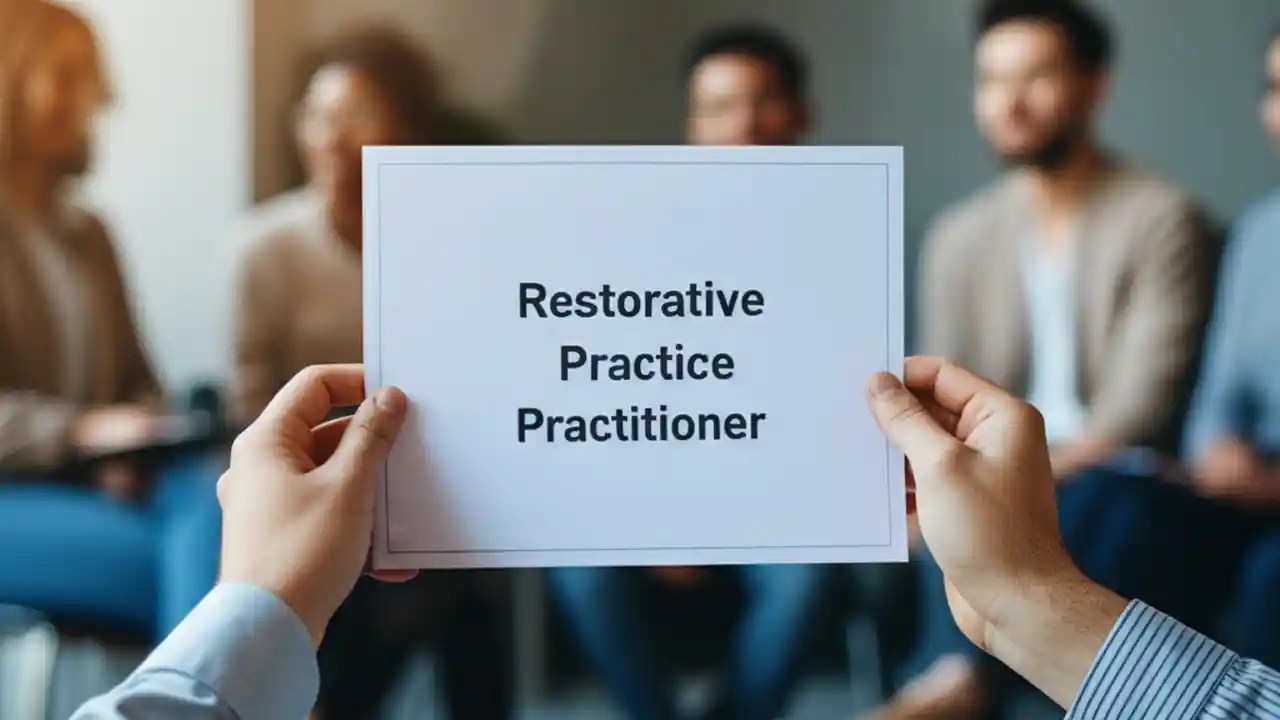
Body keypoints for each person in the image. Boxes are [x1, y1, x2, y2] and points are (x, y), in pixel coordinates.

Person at [72, 359, 1280, 718]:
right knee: (585, 573)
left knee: (810, 574)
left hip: (791, 517)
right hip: (619, 501)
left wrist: (262, 597)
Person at [882, 1, 1220, 715]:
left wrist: (1001, 478)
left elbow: (1138, 413)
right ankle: (958, 682)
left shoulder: (1163, 219)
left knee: (1096, 498)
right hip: (994, 471)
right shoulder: (957, 238)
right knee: (951, 507)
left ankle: (951, 684)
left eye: (1034, 76)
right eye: (991, 80)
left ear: (1095, 85)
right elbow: (940, 402)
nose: (1009, 102)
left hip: (1117, 477)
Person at [545, 24, 830, 720]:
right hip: (652, 492)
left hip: (785, 503)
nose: (744, 125)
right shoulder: (631, 240)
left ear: (801, 113)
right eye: (720, 107)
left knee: (807, 576)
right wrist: (661, 513)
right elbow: (605, 392)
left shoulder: (845, 239)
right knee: (578, 567)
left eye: (763, 101)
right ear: (692, 128)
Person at [232, 28, 508, 719]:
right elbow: (249, 403)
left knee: (464, 566)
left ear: (405, 133)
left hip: (430, 468)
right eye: (317, 115)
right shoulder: (263, 249)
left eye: (356, 115)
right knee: (411, 573)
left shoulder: (448, 242)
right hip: (314, 471)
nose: (331, 137)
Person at [0, 0, 219, 640]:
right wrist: (78, 433)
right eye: (63, 74)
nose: (87, 98)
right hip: (14, 492)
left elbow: (139, 385)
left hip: (92, 486)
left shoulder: (90, 233)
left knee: (222, 493)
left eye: (89, 78)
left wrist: (132, 447)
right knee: (211, 568)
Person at [1177, 26, 1280, 667]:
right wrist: (1214, 447)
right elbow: (1216, 393)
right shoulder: (1258, 233)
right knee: (1117, 509)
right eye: (1275, 88)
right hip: (1247, 489)